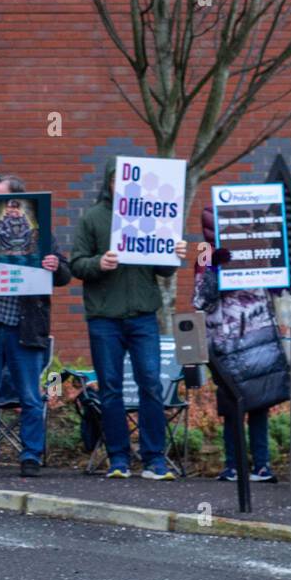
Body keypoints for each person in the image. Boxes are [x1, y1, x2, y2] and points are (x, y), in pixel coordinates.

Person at [71, 164, 185, 480]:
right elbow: (76, 264)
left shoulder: (154, 216)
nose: (121, 185)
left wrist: (173, 254)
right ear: (108, 182)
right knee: (110, 388)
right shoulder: (92, 218)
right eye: (115, 179)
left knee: (150, 384)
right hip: (104, 318)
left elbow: (164, 271)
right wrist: (99, 263)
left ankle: (154, 460)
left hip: (143, 316)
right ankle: (118, 459)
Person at [0, 174, 70, 477]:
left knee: (31, 396)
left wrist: (55, 266)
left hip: (25, 326)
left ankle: (30, 456)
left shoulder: (40, 233)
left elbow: (65, 274)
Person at [192, 205, 288, 483]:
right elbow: (200, 300)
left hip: (258, 336)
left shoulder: (260, 247)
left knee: (261, 400)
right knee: (232, 403)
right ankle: (233, 465)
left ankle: (261, 465)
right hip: (226, 341)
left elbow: (278, 289)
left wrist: (274, 263)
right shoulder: (205, 251)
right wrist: (213, 268)